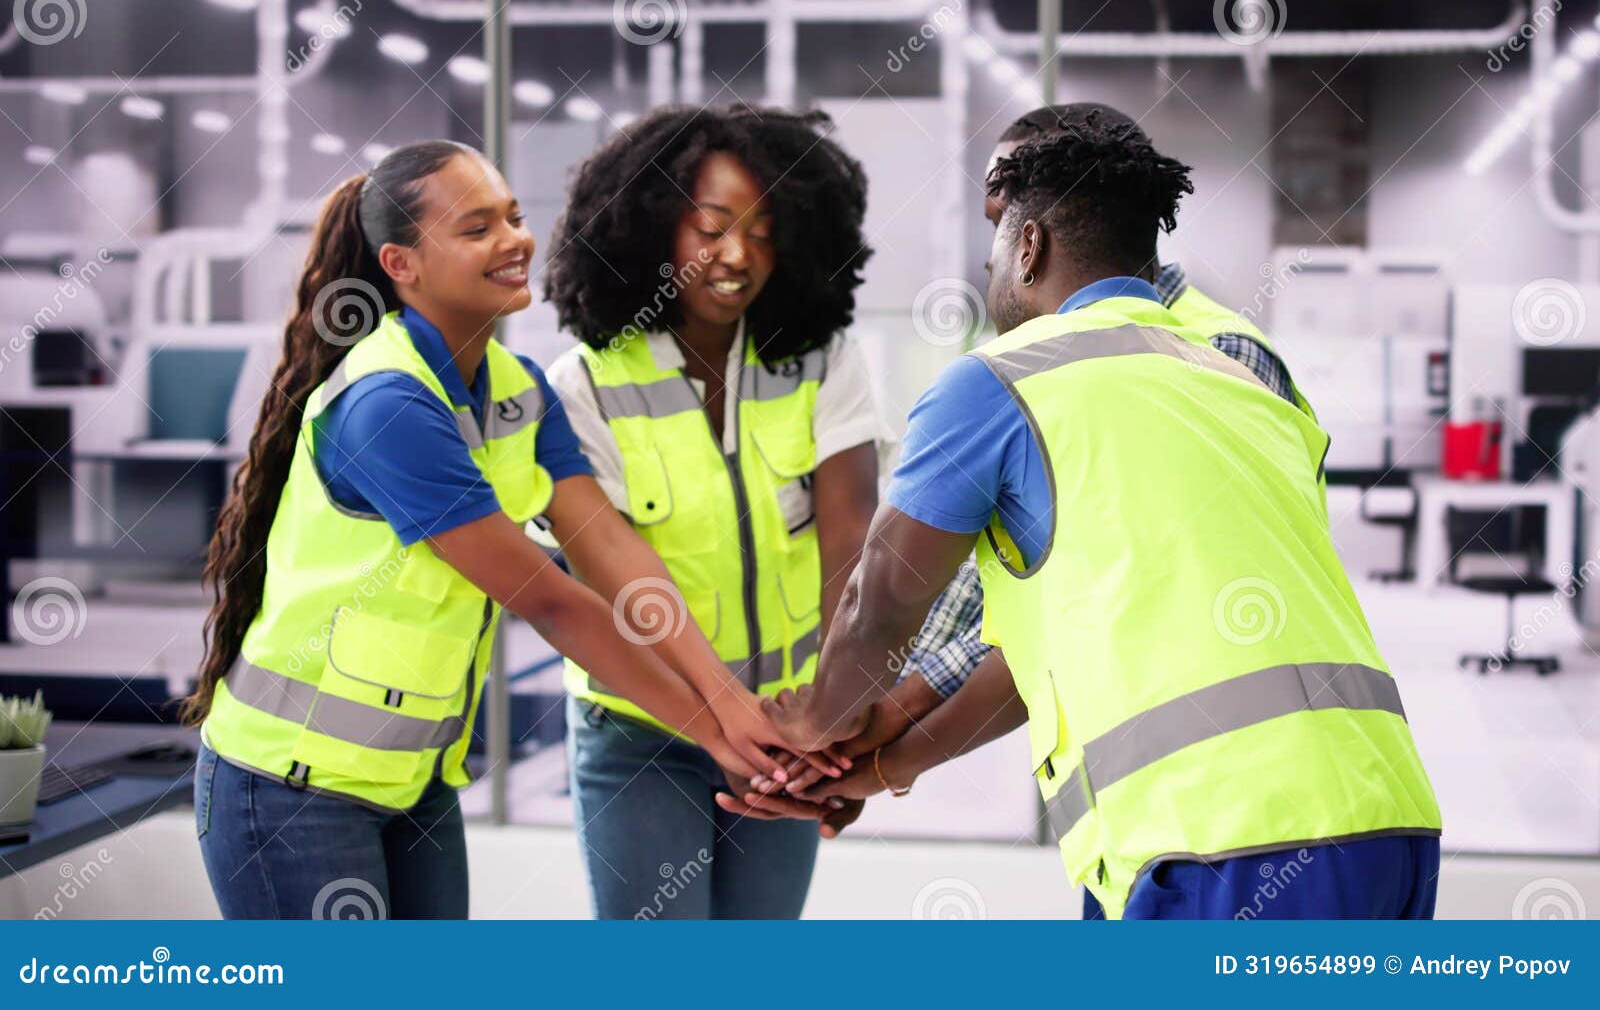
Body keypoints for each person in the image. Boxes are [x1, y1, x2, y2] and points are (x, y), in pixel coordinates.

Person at [747, 108, 1444, 920]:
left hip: (1226, 835)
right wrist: (881, 764)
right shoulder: (1233, 382)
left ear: (1030, 246)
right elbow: (1050, 647)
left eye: (998, 234)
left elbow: (881, 601)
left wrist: (815, 720)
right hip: (1383, 821)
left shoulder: (1005, 380)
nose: (988, 262)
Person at [185, 140, 804, 920]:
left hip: (414, 781)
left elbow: (610, 546)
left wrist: (729, 699)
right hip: (289, 788)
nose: (514, 241)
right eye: (477, 229)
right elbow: (552, 601)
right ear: (401, 264)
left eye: (512, 217)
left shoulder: (518, 389)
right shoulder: (387, 405)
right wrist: (719, 733)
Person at [542, 105, 881, 919]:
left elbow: (850, 536)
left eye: (763, 232)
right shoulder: (586, 385)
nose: (738, 255)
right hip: (640, 733)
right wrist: (722, 719)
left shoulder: (821, 362)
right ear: (652, 229)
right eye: (712, 228)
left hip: (792, 727)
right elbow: (619, 575)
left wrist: (838, 713)